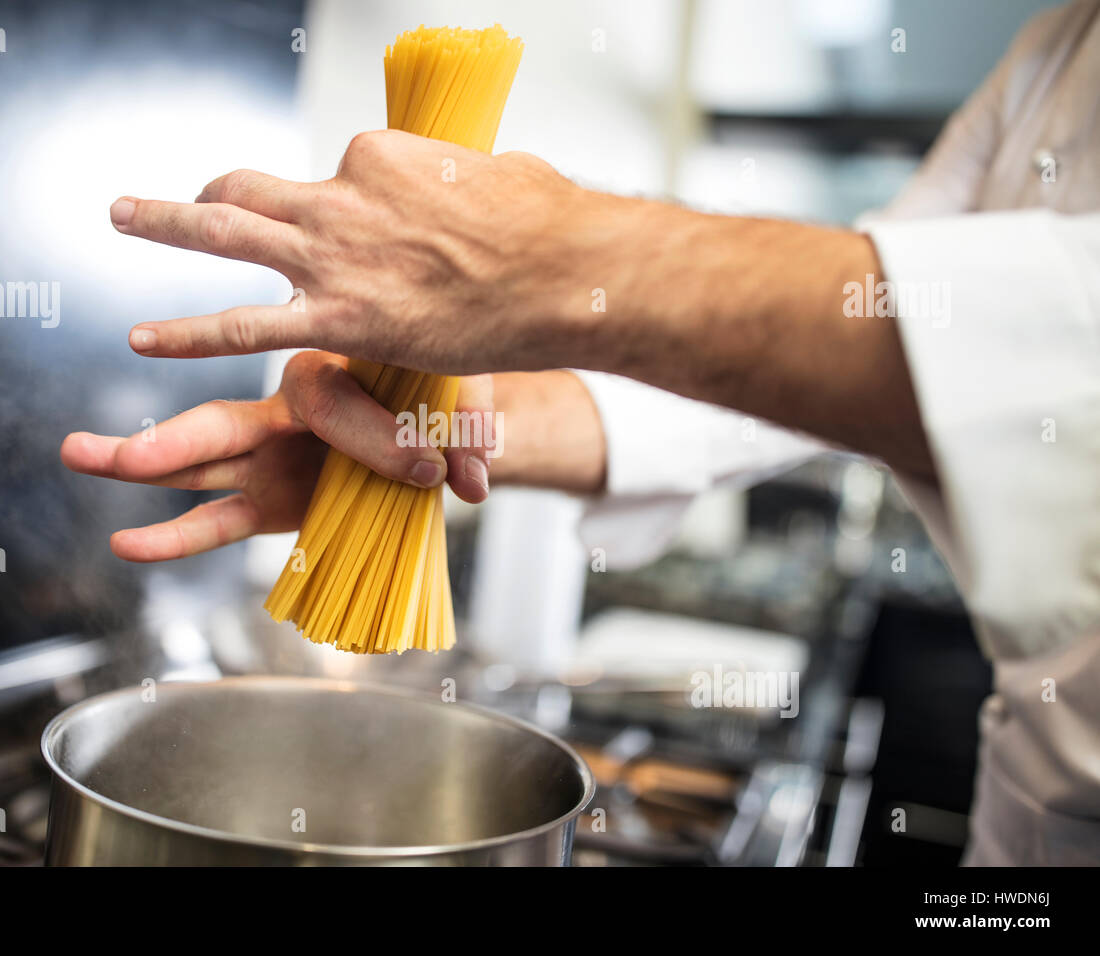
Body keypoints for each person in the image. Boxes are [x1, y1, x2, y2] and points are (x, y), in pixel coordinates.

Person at [62, 1, 1100, 864]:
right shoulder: (1060, 41)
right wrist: (417, 432)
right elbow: (892, 322)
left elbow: (1027, 342)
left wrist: (555, 257)